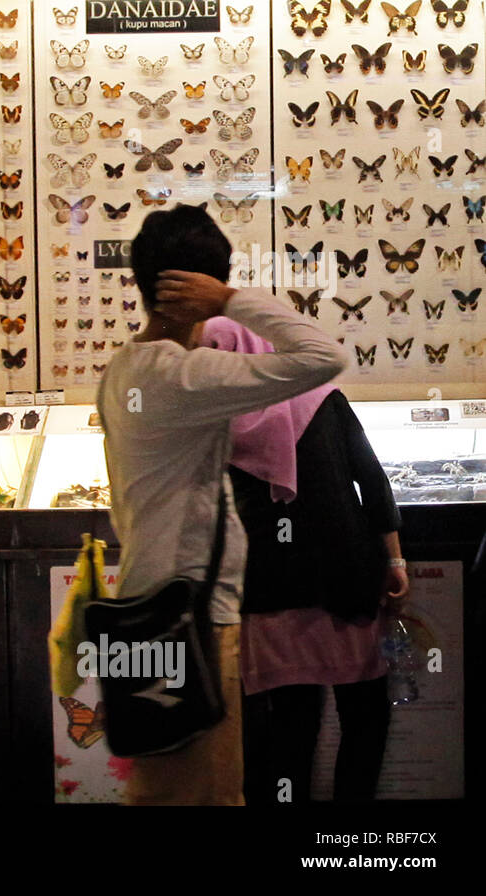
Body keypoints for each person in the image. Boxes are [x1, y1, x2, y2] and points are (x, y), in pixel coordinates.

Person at [95, 205, 348, 805]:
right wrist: (231, 299)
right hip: (192, 614)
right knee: (207, 791)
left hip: (145, 598)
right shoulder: (183, 376)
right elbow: (323, 357)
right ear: (193, 291)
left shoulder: (123, 368)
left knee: (165, 787)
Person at [199, 317, 409, 803]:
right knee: (365, 716)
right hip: (344, 578)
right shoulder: (320, 395)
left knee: (291, 725)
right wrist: (394, 562)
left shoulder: (215, 415)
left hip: (270, 588)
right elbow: (373, 481)